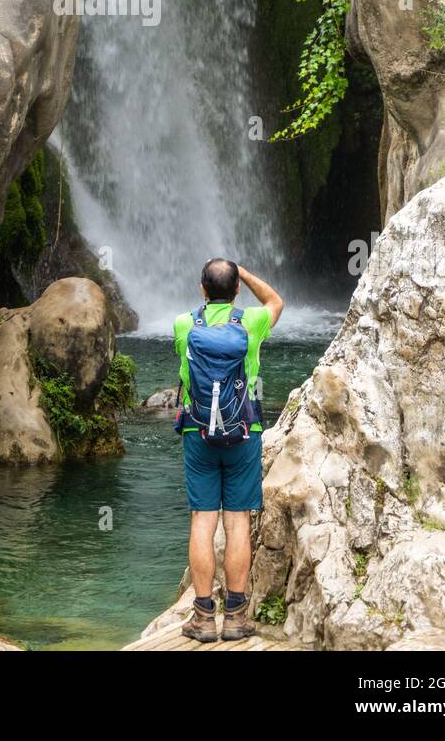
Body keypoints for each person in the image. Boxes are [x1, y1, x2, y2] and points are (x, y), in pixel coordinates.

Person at [173, 258, 283, 642]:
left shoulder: (184, 325)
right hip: (244, 431)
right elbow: (276, 301)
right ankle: (235, 616)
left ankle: (204, 617)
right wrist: (246, 274)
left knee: (203, 520)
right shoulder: (251, 323)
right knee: (237, 521)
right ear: (237, 289)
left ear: (202, 290)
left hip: (197, 432)